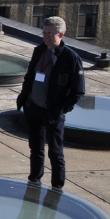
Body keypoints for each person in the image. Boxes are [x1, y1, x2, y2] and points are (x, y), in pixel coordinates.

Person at [17, 16, 85, 190]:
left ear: (61, 34)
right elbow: (30, 77)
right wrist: (25, 100)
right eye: (44, 33)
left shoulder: (71, 58)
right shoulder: (39, 51)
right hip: (34, 108)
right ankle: (34, 179)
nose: (46, 37)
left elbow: (78, 91)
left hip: (53, 112)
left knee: (55, 152)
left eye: (50, 33)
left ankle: (57, 187)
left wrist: (62, 109)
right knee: (36, 148)